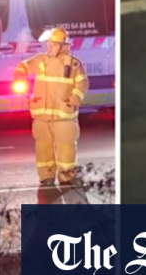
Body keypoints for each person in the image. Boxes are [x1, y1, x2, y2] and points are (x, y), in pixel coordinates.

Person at [13, 27, 89, 186]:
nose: (50, 47)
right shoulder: (41, 60)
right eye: (49, 44)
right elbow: (24, 66)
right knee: (43, 149)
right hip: (42, 118)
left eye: (54, 45)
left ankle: (67, 178)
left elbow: (82, 83)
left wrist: (74, 100)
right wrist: (20, 74)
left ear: (63, 46)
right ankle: (46, 177)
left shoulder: (73, 65)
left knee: (66, 150)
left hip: (64, 117)